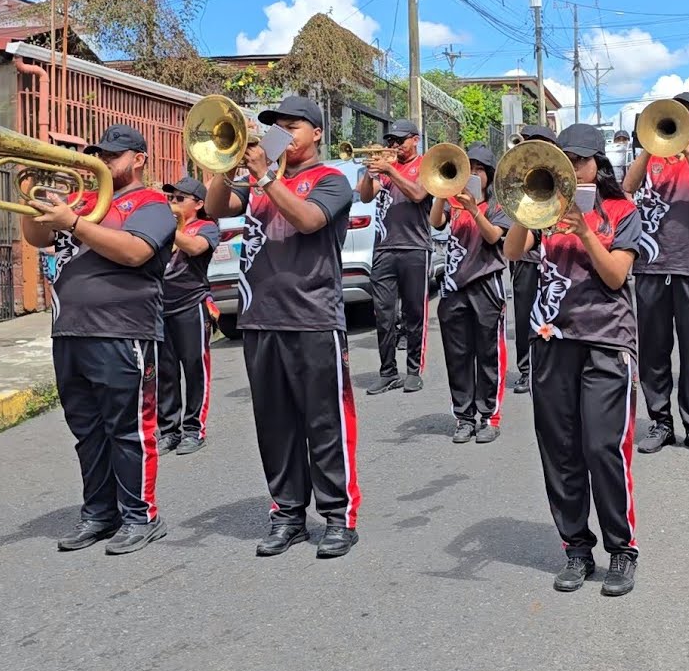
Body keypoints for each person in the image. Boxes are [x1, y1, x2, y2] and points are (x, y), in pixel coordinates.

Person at [203, 96, 361, 559]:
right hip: (259, 318)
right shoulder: (256, 185)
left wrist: (268, 177)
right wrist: (225, 167)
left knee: (324, 422)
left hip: (314, 317)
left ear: (315, 133)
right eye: (275, 126)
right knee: (274, 425)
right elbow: (214, 208)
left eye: (292, 126)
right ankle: (288, 513)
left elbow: (309, 220)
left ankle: (338, 517)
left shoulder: (331, 180)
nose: (281, 134)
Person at [503, 123, 642, 597]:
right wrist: (527, 204)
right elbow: (512, 251)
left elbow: (617, 276)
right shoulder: (545, 208)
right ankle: (576, 549)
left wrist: (584, 231)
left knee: (602, 447)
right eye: (563, 157)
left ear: (596, 163)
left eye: (578, 160)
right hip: (551, 341)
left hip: (607, 341)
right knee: (559, 450)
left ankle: (621, 548)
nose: (569, 166)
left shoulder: (622, 209)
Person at [24, 125, 176, 555]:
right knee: (87, 431)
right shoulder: (83, 200)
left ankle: (140, 516)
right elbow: (37, 237)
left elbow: (134, 252)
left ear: (139, 159)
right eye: (100, 154)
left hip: (123, 329)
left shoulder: (152, 203)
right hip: (70, 329)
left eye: (113, 155)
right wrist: (28, 195)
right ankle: (99, 513)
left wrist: (74, 222)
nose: (103, 161)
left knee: (128, 431)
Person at [623, 91, 689, 457]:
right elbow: (627, 188)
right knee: (653, 348)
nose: (679, 121)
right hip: (652, 265)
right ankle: (661, 421)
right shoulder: (652, 158)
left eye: (686, 116)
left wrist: (687, 151)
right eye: (673, 117)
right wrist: (649, 145)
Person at [430, 145, 508, 444]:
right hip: (452, 287)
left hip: (486, 285)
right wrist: (440, 189)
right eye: (468, 168)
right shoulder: (453, 202)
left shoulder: (499, 207)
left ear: (489, 175)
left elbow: (493, 237)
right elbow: (435, 222)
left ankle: (490, 415)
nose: (472, 174)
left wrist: (474, 209)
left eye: (478, 169)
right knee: (457, 355)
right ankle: (464, 417)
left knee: (488, 353)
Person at [358, 119, 431, 395]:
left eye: (400, 141)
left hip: (415, 247)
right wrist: (370, 173)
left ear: (415, 139)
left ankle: (413, 370)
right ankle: (388, 371)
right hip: (384, 248)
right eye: (392, 141)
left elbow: (418, 193)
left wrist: (391, 169)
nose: (395, 146)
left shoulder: (425, 164)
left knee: (415, 313)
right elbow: (366, 197)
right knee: (384, 314)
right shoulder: (385, 169)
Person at [157, 177, 220, 457]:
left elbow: (195, 248)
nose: (174, 203)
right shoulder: (164, 227)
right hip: (160, 305)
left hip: (190, 304)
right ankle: (169, 430)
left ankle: (194, 429)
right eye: (171, 198)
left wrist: (167, 227)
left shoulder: (206, 227)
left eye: (180, 199)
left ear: (199, 204)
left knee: (195, 369)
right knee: (164, 372)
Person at [508, 124, 559, 394]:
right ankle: (526, 369)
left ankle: (550, 365)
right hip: (528, 256)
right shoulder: (517, 173)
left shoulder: (562, 170)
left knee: (555, 312)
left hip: (557, 255)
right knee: (523, 313)